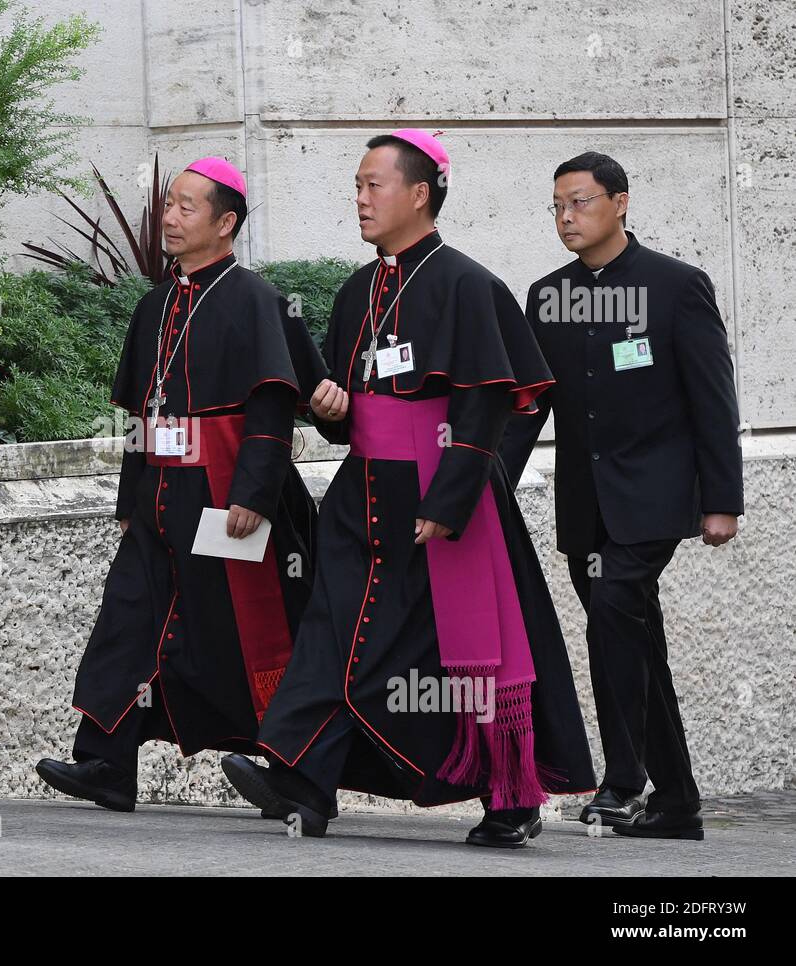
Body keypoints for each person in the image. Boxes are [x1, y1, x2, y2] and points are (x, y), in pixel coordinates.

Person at [222, 131, 596, 847]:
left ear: (419, 194)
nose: (360, 199)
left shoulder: (466, 283)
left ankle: (511, 798)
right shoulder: (360, 288)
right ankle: (301, 780)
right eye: (357, 187)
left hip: (436, 496)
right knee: (331, 634)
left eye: (373, 185)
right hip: (360, 491)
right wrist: (331, 409)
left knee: (452, 655)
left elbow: (484, 402)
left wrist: (449, 503)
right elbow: (347, 409)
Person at [35, 157, 328, 812]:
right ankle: (105, 763)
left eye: (187, 207)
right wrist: (127, 498)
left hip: (227, 496)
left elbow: (273, 402)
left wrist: (252, 494)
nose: (169, 217)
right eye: (169, 204)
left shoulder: (255, 299)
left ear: (225, 224)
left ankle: (293, 773)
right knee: (128, 621)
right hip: (160, 499)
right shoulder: (155, 305)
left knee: (242, 631)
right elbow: (142, 416)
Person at [499, 152, 743, 841]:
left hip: (655, 496)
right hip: (587, 505)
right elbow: (528, 407)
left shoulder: (676, 286)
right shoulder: (547, 296)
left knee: (611, 611)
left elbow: (712, 400)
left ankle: (623, 781)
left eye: (578, 203)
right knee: (633, 637)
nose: (566, 218)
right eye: (556, 207)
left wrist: (721, 500)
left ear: (621, 202)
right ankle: (678, 803)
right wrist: (487, 487)